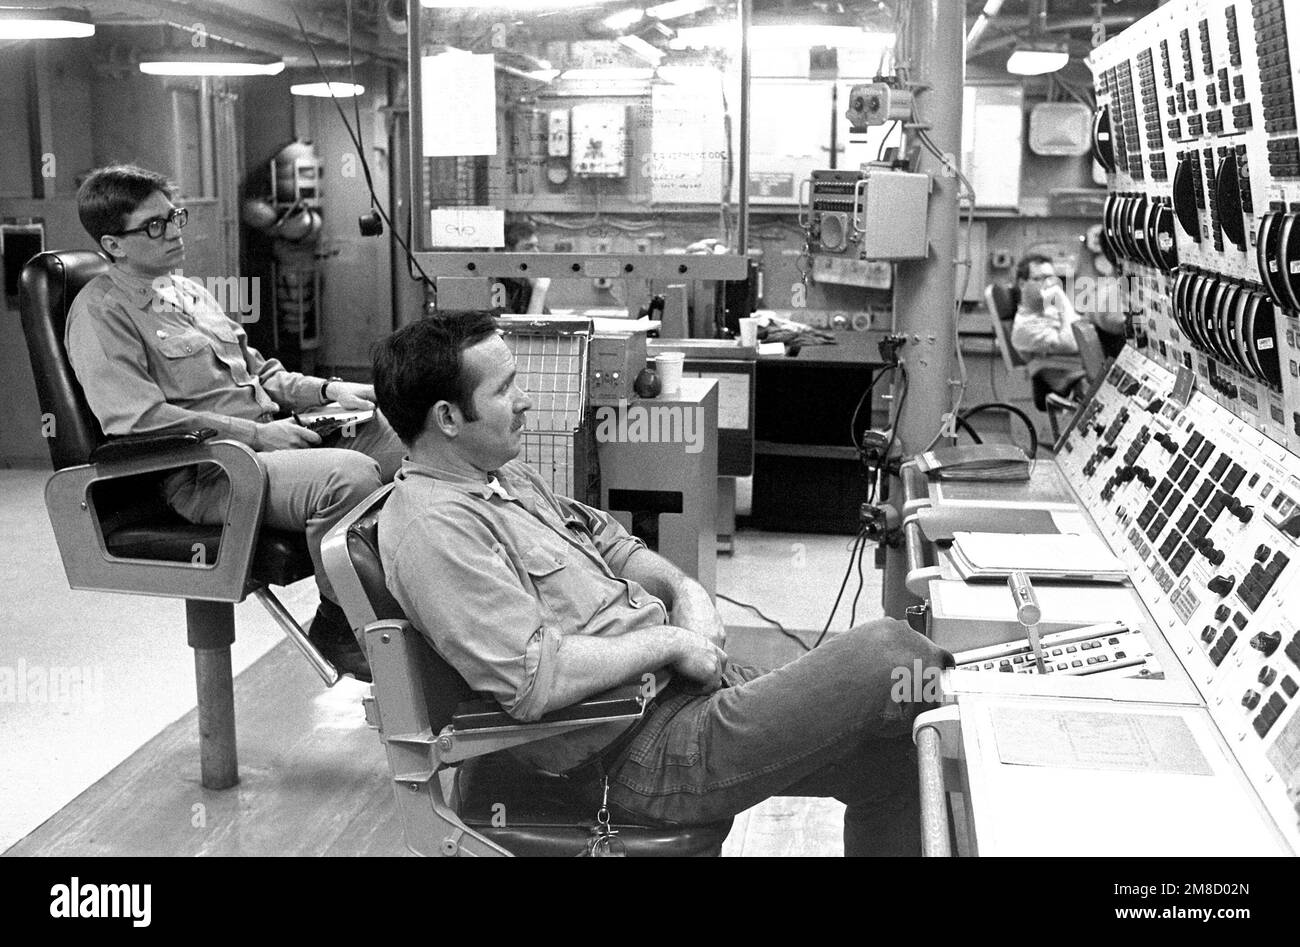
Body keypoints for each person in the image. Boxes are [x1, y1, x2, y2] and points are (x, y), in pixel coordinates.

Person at [371, 312, 953, 856]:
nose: (525, 402)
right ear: (448, 419)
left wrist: (687, 594)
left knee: (900, 756)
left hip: (676, 696)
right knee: (891, 655)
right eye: (502, 391)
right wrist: (672, 642)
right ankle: (1005, 697)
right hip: (633, 752)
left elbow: (614, 546)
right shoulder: (434, 529)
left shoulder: (503, 478)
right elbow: (535, 679)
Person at [65, 164, 405, 681]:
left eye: (173, 216)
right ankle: (338, 623)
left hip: (267, 444)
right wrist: (256, 435)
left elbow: (260, 372)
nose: (175, 230)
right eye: (154, 225)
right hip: (208, 472)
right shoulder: (100, 313)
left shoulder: (187, 293)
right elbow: (136, 419)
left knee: (402, 440)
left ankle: (416, 598)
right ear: (113, 244)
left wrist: (333, 391)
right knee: (349, 475)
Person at [1009, 254, 1088, 399]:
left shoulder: (1049, 308)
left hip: (1087, 366)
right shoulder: (1024, 327)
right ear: (1022, 284)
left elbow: (1080, 326)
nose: (1050, 284)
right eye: (1042, 278)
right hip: (1075, 381)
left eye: (1052, 278)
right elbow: (1072, 343)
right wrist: (1062, 299)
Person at [498, 220, 550, 315]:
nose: (536, 253)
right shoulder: (496, 285)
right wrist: (539, 291)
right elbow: (524, 329)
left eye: (537, 247)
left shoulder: (525, 282)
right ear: (508, 252)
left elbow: (546, 325)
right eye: (528, 247)